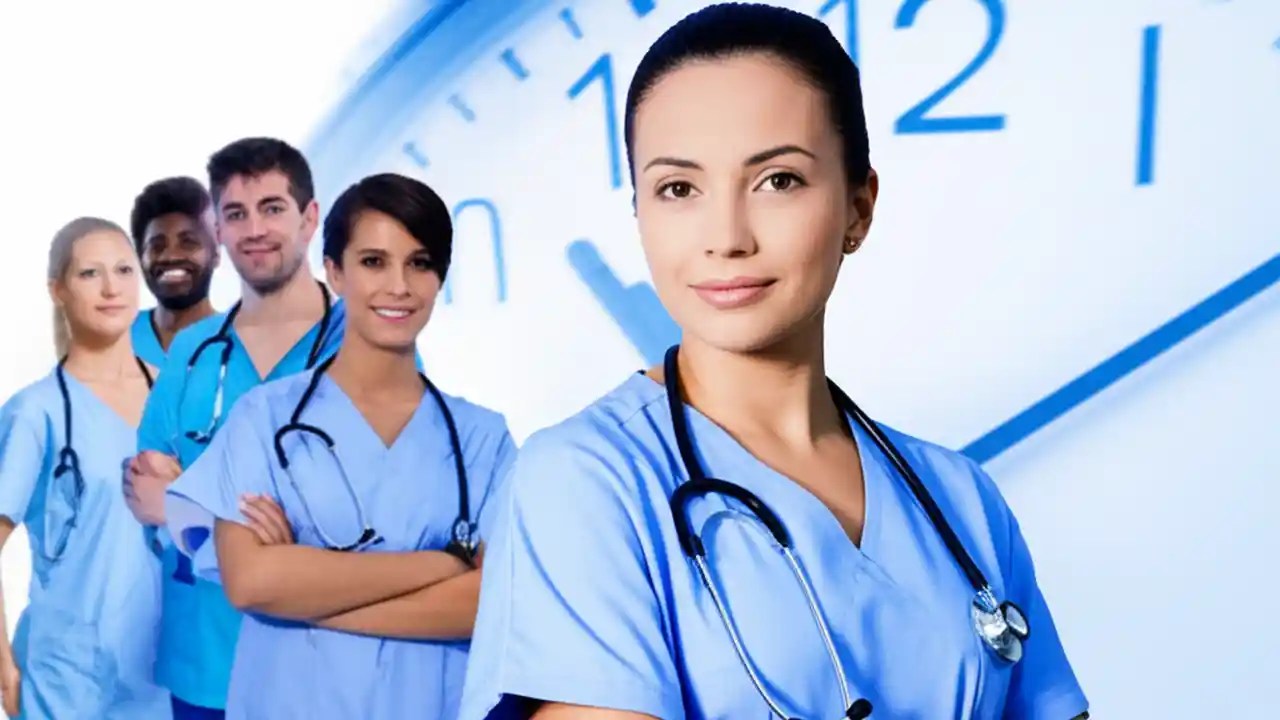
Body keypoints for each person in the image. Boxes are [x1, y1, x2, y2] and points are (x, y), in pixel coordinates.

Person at [457, 5, 1090, 720]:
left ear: (858, 206)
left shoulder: (962, 500)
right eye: (678, 189)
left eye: (778, 180)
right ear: (639, 211)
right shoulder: (585, 480)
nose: (725, 237)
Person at [163, 172, 516, 719]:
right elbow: (253, 582)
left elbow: (488, 606)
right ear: (334, 271)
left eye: (419, 263)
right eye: (373, 261)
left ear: (439, 278)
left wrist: (306, 597)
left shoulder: (483, 439)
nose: (398, 285)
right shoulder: (263, 418)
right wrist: (443, 565)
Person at [125, 137, 345, 720]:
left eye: (272, 208)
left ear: (309, 218)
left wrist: (189, 500)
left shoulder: (364, 338)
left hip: (328, 669)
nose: (255, 229)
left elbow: (379, 508)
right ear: (218, 232)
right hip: (207, 671)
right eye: (235, 213)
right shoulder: (195, 351)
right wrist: (245, 518)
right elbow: (145, 490)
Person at [0, 217, 168, 719]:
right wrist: (2, 661)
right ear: (58, 290)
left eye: (123, 270)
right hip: (67, 678)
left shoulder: (175, 396)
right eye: (90, 274)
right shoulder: (37, 411)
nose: (112, 287)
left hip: (164, 670)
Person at [129, 176, 221, 366]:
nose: (170, 256)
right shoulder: (114, 338)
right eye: (157, 246)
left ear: (215, 254)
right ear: (140, 257)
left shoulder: (242, 347)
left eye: (188, 243)